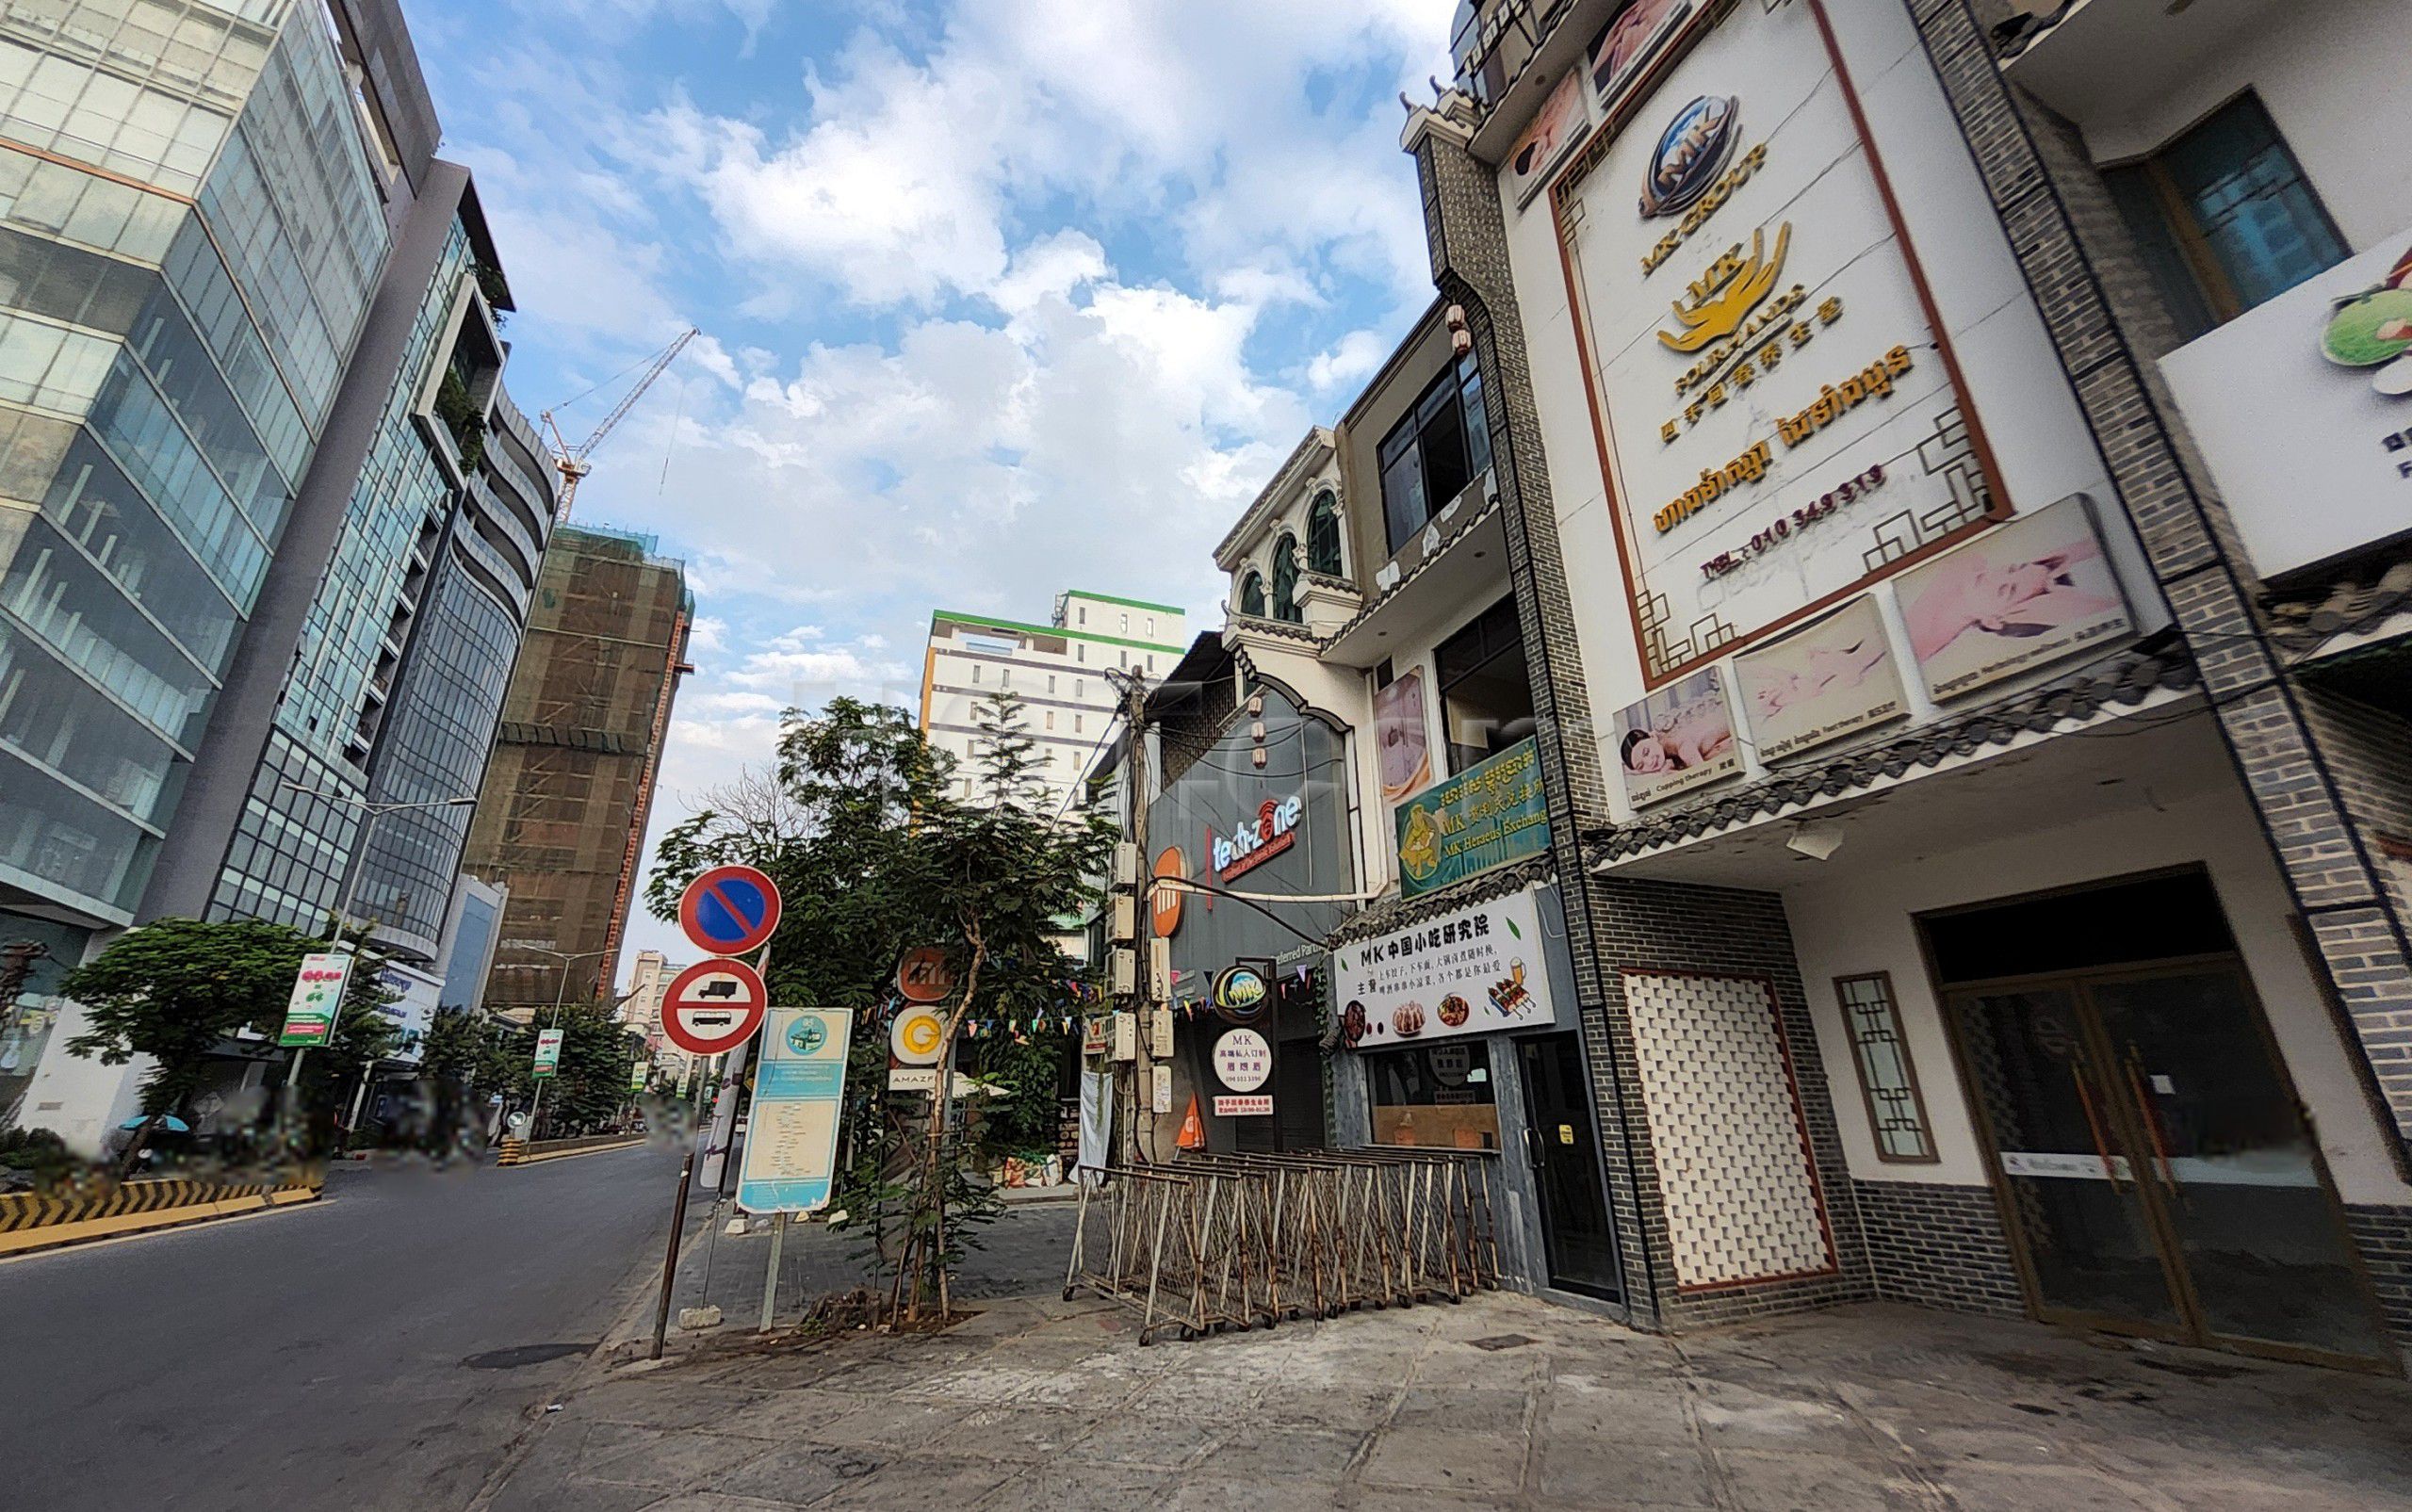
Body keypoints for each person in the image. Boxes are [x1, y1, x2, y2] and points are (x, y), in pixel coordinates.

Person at [1904, 533, 2118, 662]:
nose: (1996, 576)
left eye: (2005, 590)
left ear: (1993, 620)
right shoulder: (1968, 563)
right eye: (2014, 567)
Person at [1751, 630, 1889, 721]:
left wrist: (1783, 683)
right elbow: (1765, 710)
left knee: (1857, 658)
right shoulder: (1777, 701)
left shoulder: (1783, 684)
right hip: (1819, 683)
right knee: (1858, 661)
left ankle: (1872, 644)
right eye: (1762, 695)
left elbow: (1787, 675)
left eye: (1762, 692)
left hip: (1820, 677)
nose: (1764, 693)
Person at [1622, 690, 1733, 774]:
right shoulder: (1672, 749)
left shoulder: (1681, 745)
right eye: (1641, 766)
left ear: (1652, 736)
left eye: (1646, 752)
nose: (1649, 762)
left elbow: (1704, 775)